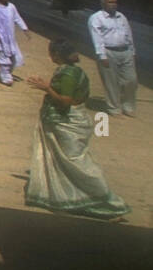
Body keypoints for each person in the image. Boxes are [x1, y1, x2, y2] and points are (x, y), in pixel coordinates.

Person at [24, 39, 129, 220]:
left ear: (56, 55)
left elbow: (65, 101)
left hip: (67, 124)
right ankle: (72, 197)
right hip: (73, 121)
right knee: (68, 163)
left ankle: (108, 202)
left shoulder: (68, 74)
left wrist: (46, 88)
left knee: (76, 163)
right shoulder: (74, 71)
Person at [88, 0, 137, 117]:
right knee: (112, 82)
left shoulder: (121, 17)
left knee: (131, 80)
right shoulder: (96, 18)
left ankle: (128, 106)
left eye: (115, 2)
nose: (114, 4)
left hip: (125, 51)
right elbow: (96, 37)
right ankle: (114, 108)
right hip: (108, 52)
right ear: (103, 4)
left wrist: (133, 51)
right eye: (110, 2)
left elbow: (129, 34)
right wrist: (101, 55)